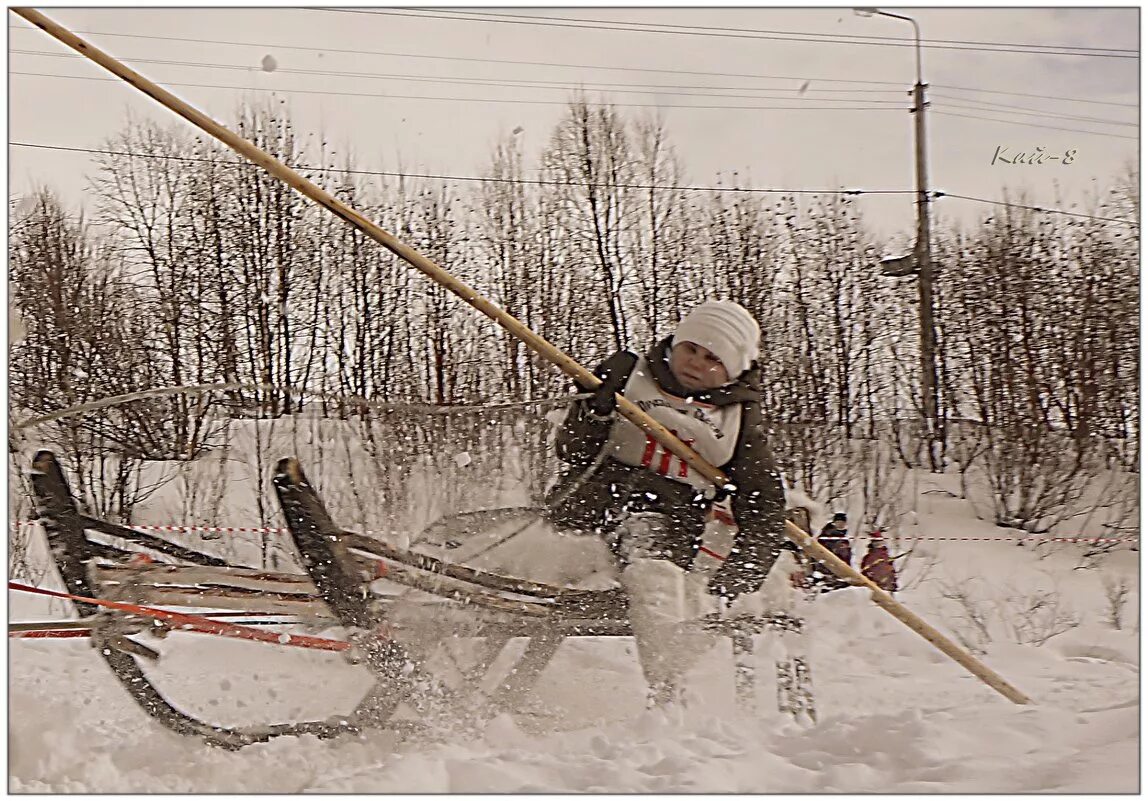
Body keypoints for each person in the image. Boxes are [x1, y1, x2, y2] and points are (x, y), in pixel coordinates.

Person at [544, 299, 787, 707]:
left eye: (712, 359)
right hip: (589, 503)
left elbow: (765, 506)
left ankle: (667, 672)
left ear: (733, 369)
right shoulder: (629, 374)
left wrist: (741, 575)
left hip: (667, 521)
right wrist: (594, 411)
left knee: (652, 568)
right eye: (690, 348)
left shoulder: (738, 420)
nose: (696, 362)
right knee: (535, 543)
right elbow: (572, 449)